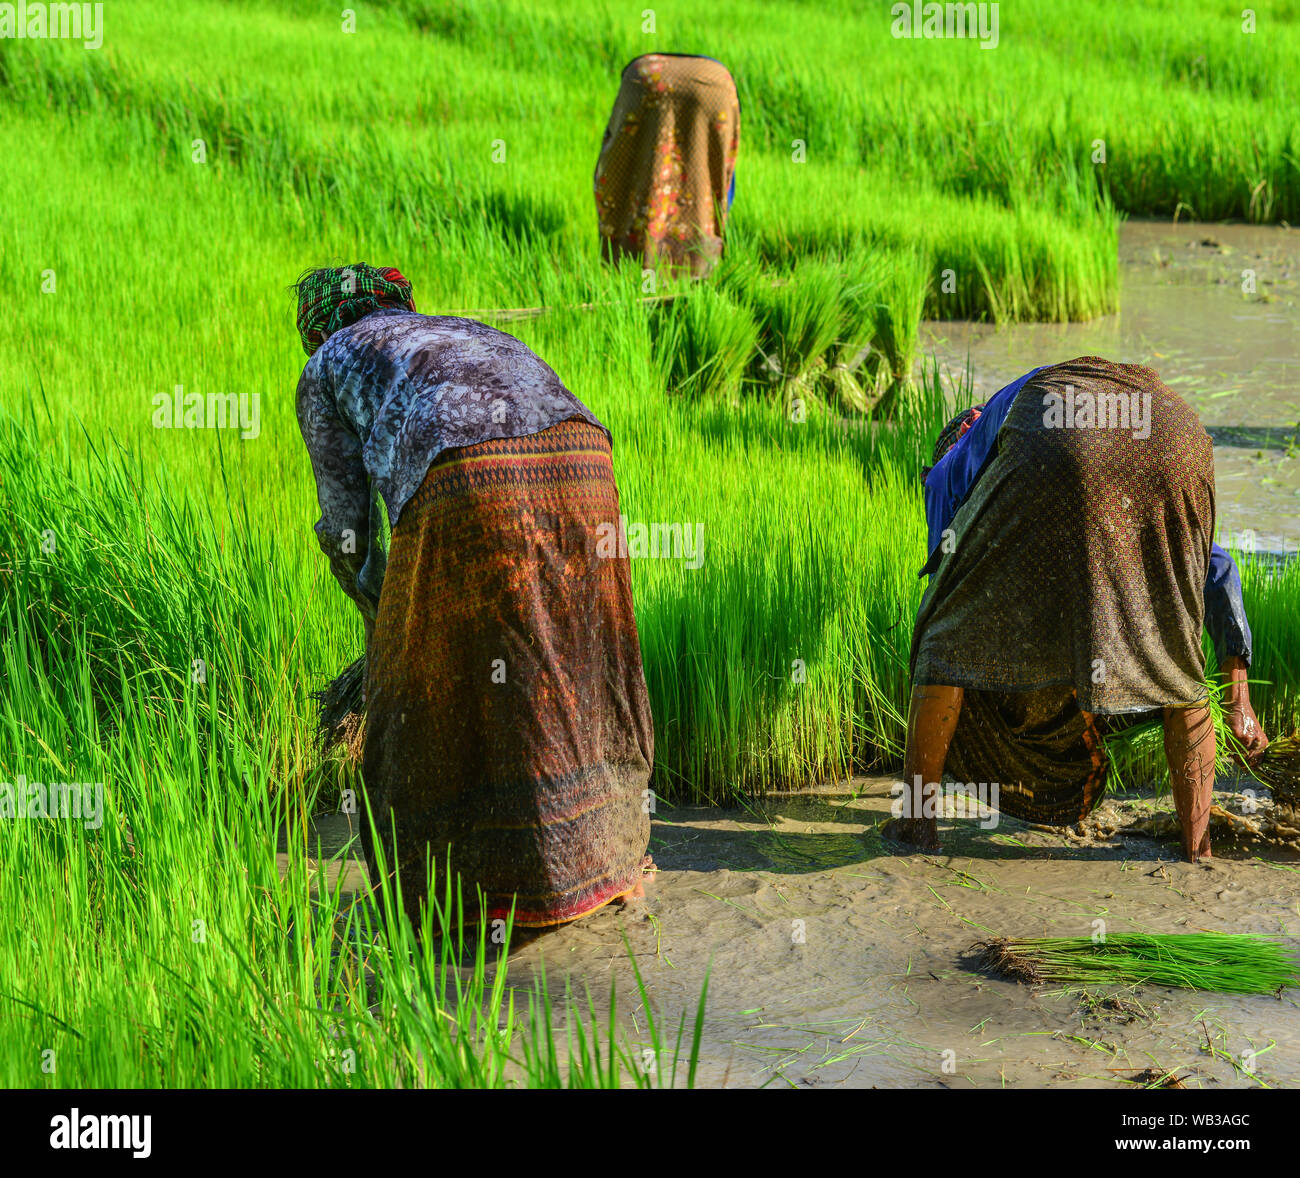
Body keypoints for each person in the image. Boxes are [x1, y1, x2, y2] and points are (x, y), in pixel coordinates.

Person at [293, 264, 655, 928]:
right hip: (585, 462)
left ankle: (462, 901)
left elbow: (347, 529)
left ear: (317, 327)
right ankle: (602, 866)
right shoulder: (451, 330)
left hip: (467, 473)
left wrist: (383, 621)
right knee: (574, 659)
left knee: (427, 696)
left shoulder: (325, 364)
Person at [885, 356, 1268, 863]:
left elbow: (948, 588)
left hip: (1055, 429)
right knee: (1177, 663)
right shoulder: (1087, 416)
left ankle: (915, 827)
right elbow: (1214, 567)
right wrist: (1238, 699)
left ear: (968, 428)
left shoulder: (954, 460)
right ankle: (1198, 850)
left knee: (943, 639)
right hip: (1177, 430)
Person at [594, 52, 740, 277]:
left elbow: (611, 166)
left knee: (623, 167)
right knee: (712, 177)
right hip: (715, 83)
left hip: (644, 78)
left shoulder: (636, 75)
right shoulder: (717, 78)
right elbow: (725, 174)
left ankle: (629, 267)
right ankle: (699, 271)